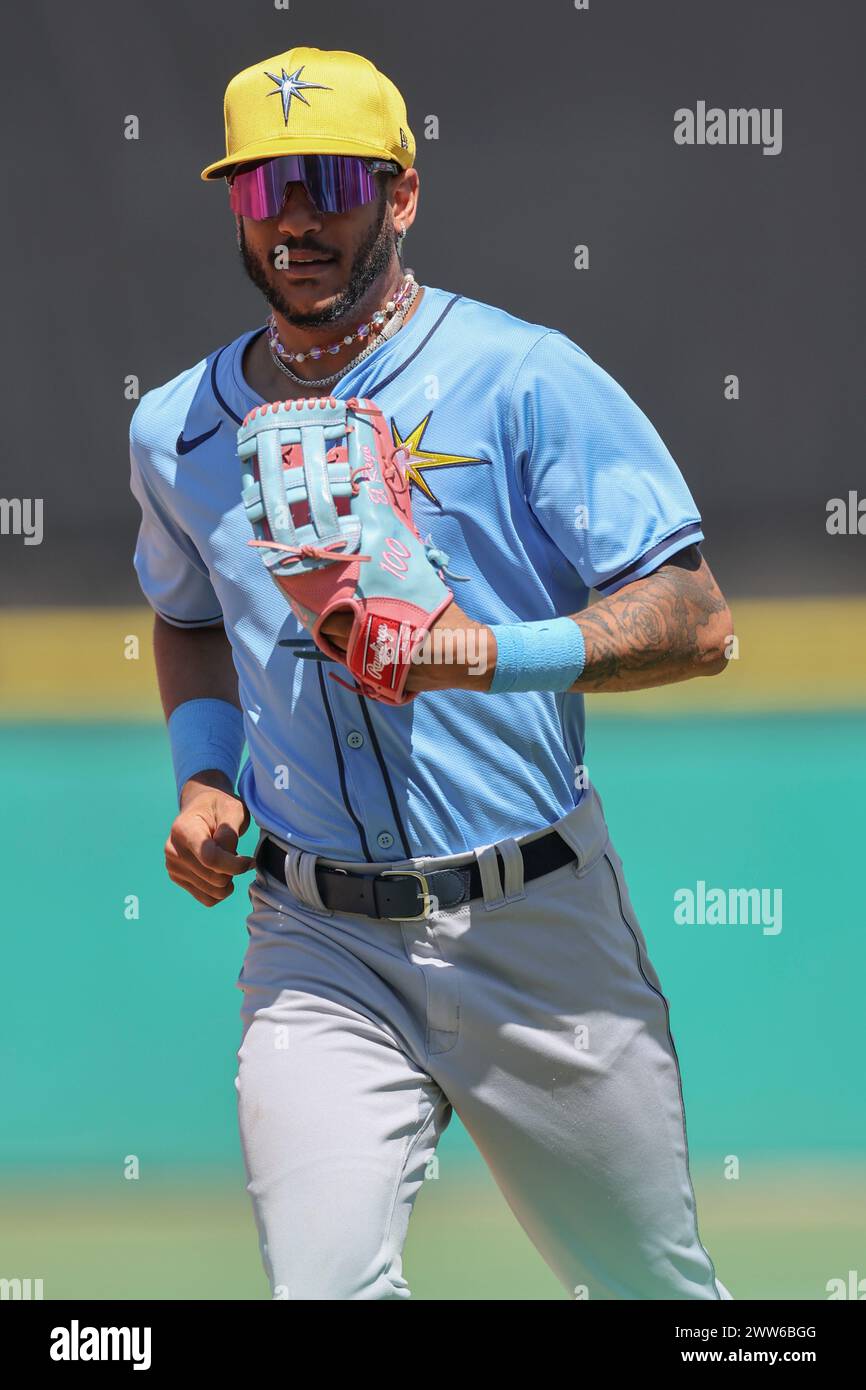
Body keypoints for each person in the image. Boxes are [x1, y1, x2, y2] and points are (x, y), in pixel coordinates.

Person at [129, 44, 734, 1300]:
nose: (294, 216)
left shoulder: (523, 374)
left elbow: (695, 617)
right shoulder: (176, 424)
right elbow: (186, 613)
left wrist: (486, 655)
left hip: (531, 919)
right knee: (323, 1289)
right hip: (313, 935)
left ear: (399, 194)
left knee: (652, 1294)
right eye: (260, 187)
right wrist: (202, 778)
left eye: (329, 179)